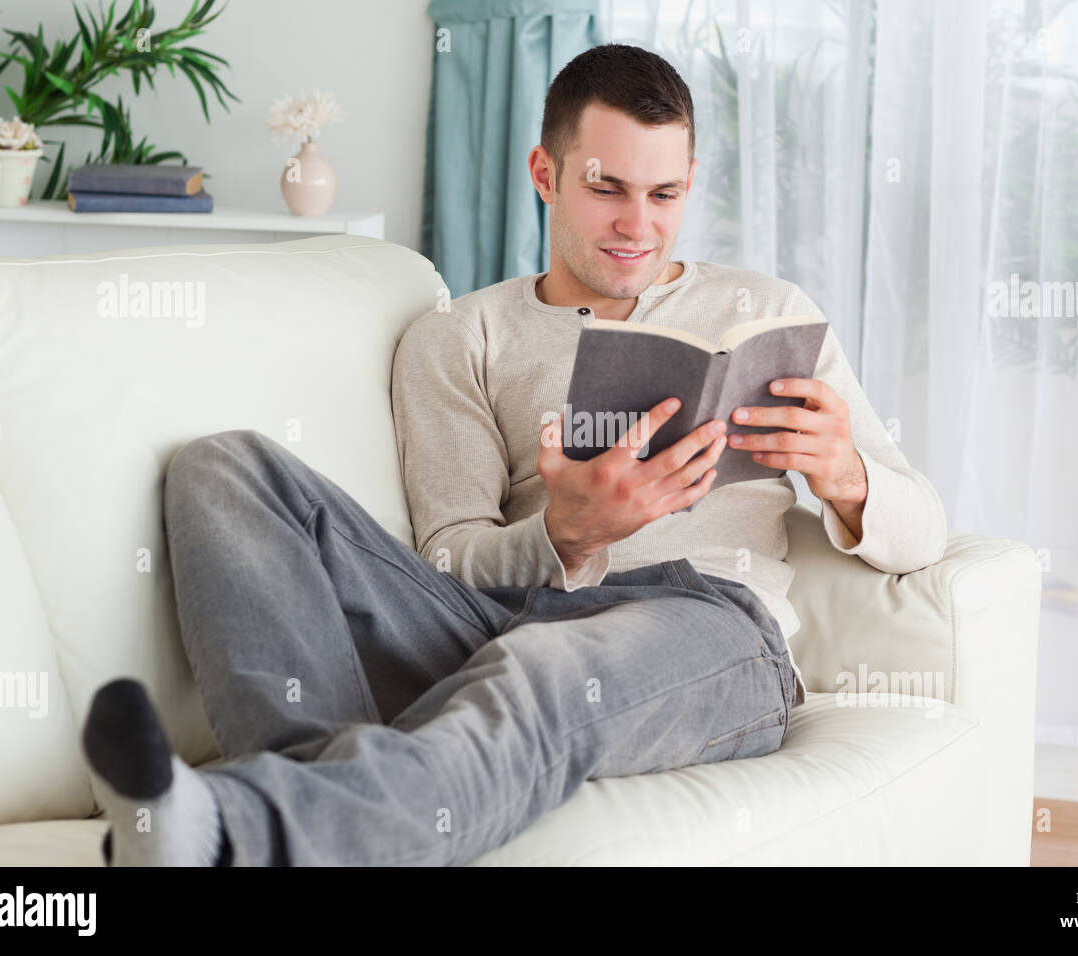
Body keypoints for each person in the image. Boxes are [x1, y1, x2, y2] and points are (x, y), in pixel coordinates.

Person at [80, 43, 946, 867]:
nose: (638, 226)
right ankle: (321, 803)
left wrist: (846, 477)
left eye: (665, 194)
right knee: (222, 469)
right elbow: (449, 554)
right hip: (500, 617)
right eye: (607, 188)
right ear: (546, 175)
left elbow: (924, 537)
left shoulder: (767, 309)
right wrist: (565, 536)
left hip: (711, 627)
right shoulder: (460, 336)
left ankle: (236, 831)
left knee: (550, 664)